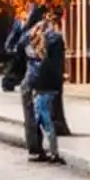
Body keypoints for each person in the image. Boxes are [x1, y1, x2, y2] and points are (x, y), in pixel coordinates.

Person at [29, 11, 66, 165]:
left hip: (41, 88)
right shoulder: (57, 42)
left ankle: (51, 151)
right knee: (44, 118)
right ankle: (48, 150)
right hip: (52, 86)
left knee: (43, 119)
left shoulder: (36, 53)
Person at [15, 4, 46, 161]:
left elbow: (16, 52)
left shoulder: (26, 36)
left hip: (29, 78)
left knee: (30, 115)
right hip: (43, 79)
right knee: (41, 113)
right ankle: (40, 144)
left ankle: (34, 147)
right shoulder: (47, 34)